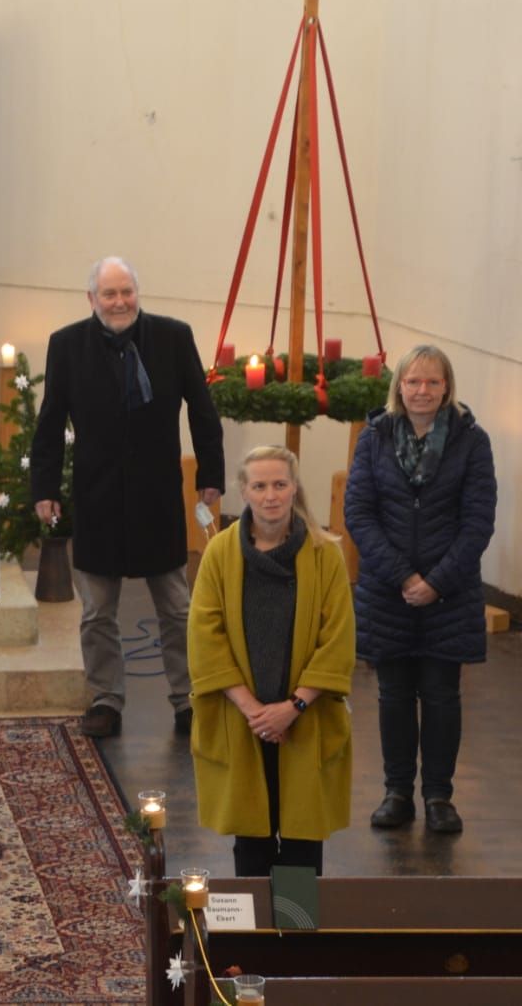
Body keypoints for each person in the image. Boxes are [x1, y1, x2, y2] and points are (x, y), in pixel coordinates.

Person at [30, 256, 224, 738]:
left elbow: (202, 411)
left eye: (126, 292)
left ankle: (187, 698)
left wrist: (211, 475)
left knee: (177, 609)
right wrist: (45, 489)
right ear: (91, 299)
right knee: (97, 613)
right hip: (97, 496)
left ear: (138, 293)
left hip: (157, 495)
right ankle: (105, 698)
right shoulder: (67, 345)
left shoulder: (174, 337)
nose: (119, 302)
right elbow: (50, 422)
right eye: (109, 294)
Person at [345, 345, 496, 834]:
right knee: (392, 695)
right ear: (399, 387)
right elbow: (359, 515)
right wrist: (404, 578)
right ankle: (396, 792)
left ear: (447, 387)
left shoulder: (473, 442)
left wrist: (435, 582)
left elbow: (477, 522)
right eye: (413, 382)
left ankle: (438, 796)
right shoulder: (373, 439)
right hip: (388, 592)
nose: (422, 391)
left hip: (449, 594)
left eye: (432, 382)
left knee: (441, 697)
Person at [188, 446, 355, 876]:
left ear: (295, 488)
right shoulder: (220, 554)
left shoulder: (326, 555)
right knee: (253, 839)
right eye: (259, 486)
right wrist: (256, 713)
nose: (270, 496)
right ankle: (256, 941)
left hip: (306, 718)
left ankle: (296, 936)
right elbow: (206, 638)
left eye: (280, 484)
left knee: (301, 841)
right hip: (245, 722)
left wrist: (293, 707)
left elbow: (337, 640)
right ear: (243, 491)